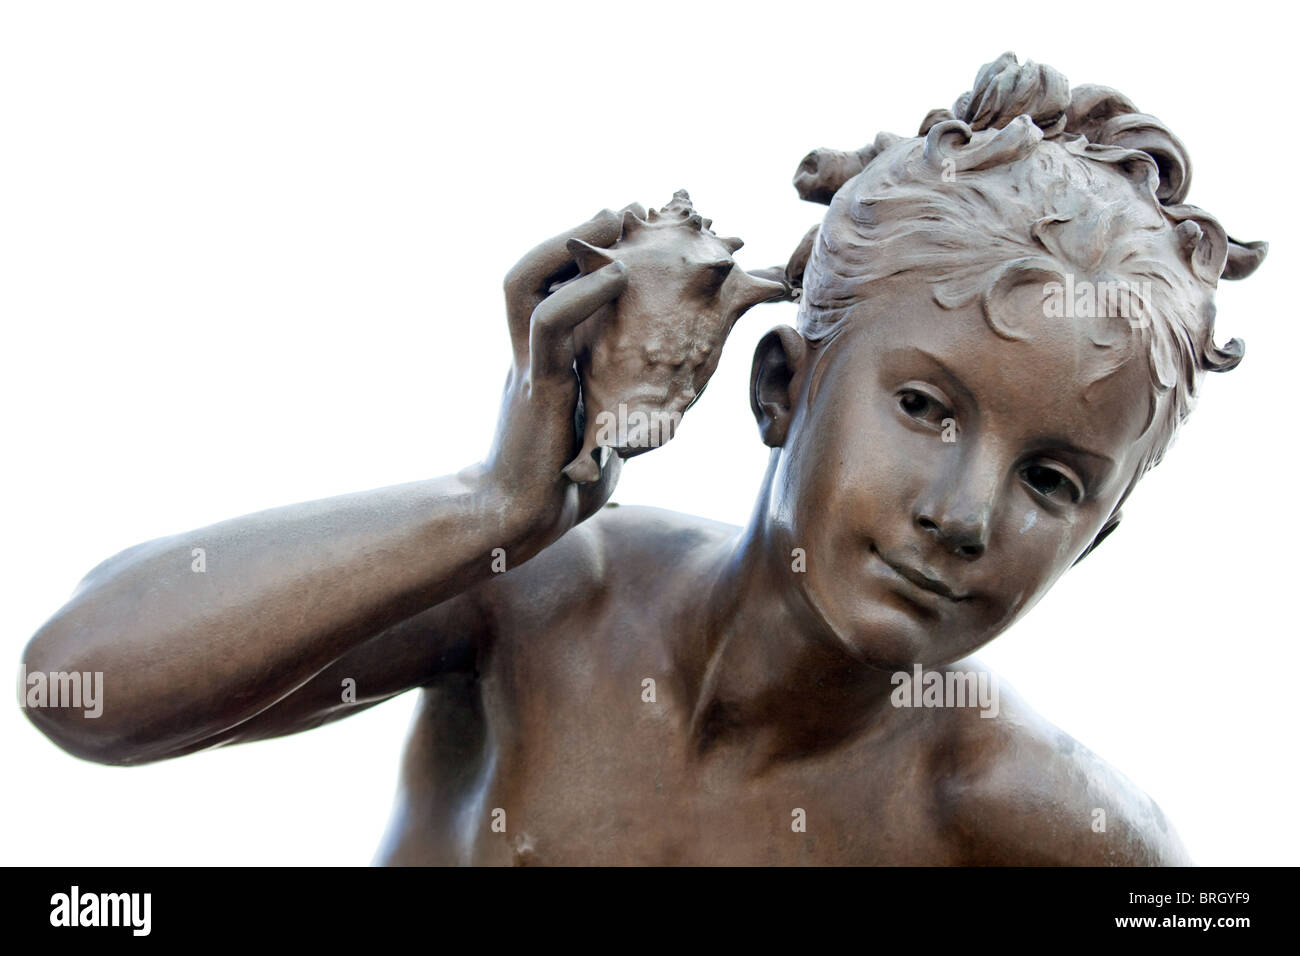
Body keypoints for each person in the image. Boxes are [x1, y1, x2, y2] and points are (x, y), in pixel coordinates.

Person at [19, 54, 1266, 864]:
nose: (961, 512)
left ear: (1094, 539)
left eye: (1052, 481)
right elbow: (80, 687)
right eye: (926, 407)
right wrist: (493, 505)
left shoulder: (1028, 824)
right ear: (782, 387)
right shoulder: (549, 597)